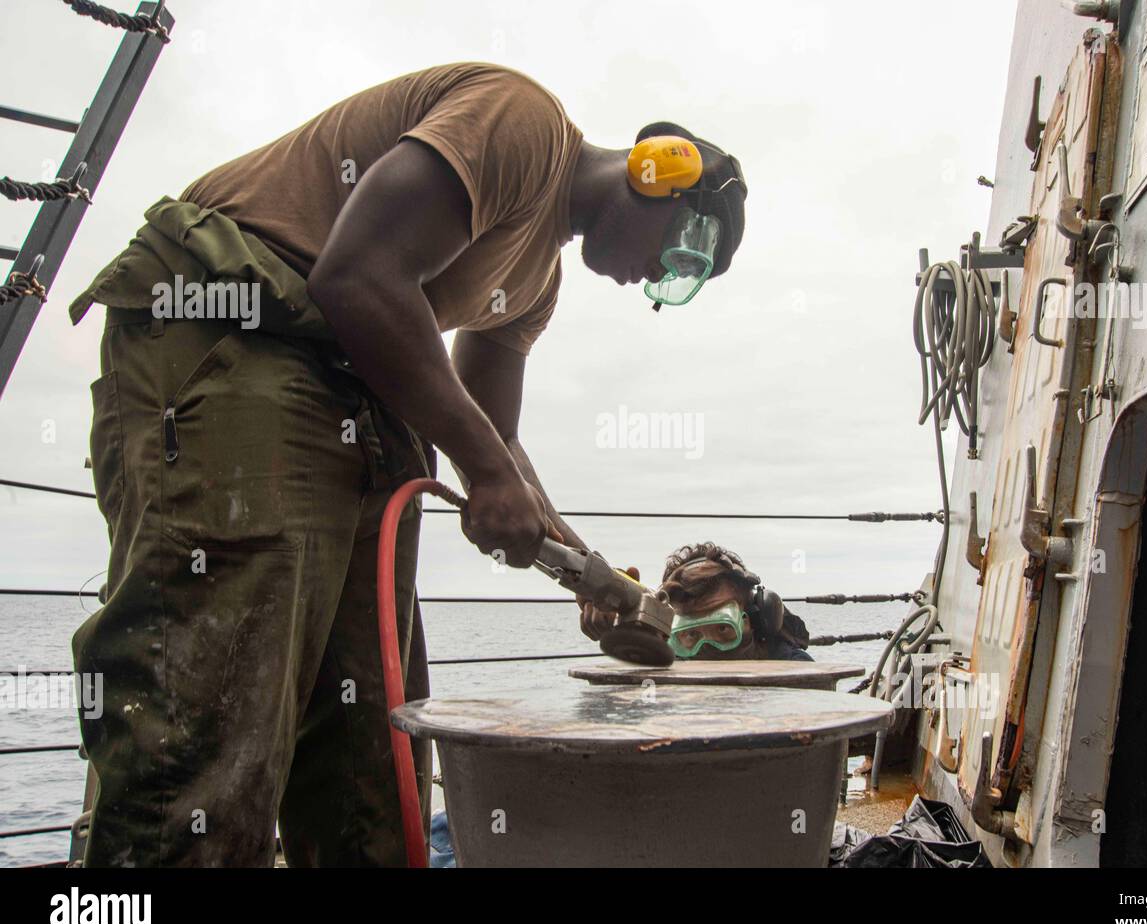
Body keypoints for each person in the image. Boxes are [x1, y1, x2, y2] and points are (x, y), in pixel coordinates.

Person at [68, 62, 747, 866]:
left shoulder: (535, 283)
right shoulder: (522, 122)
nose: (657, 281)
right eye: (681, 254)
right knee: (209, 727)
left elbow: (494, 441)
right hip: (240, 325)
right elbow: (359, 273)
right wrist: (489, 473)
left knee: (370, 756)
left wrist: (596, 583)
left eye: (681, 282)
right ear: (658, 169)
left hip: (355, 400)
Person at [658, 543, 812, 661]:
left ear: (752, 619)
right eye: (691, 634)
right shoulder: (664, 667)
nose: (709, 646)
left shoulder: (790, 665)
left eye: (723, 628)